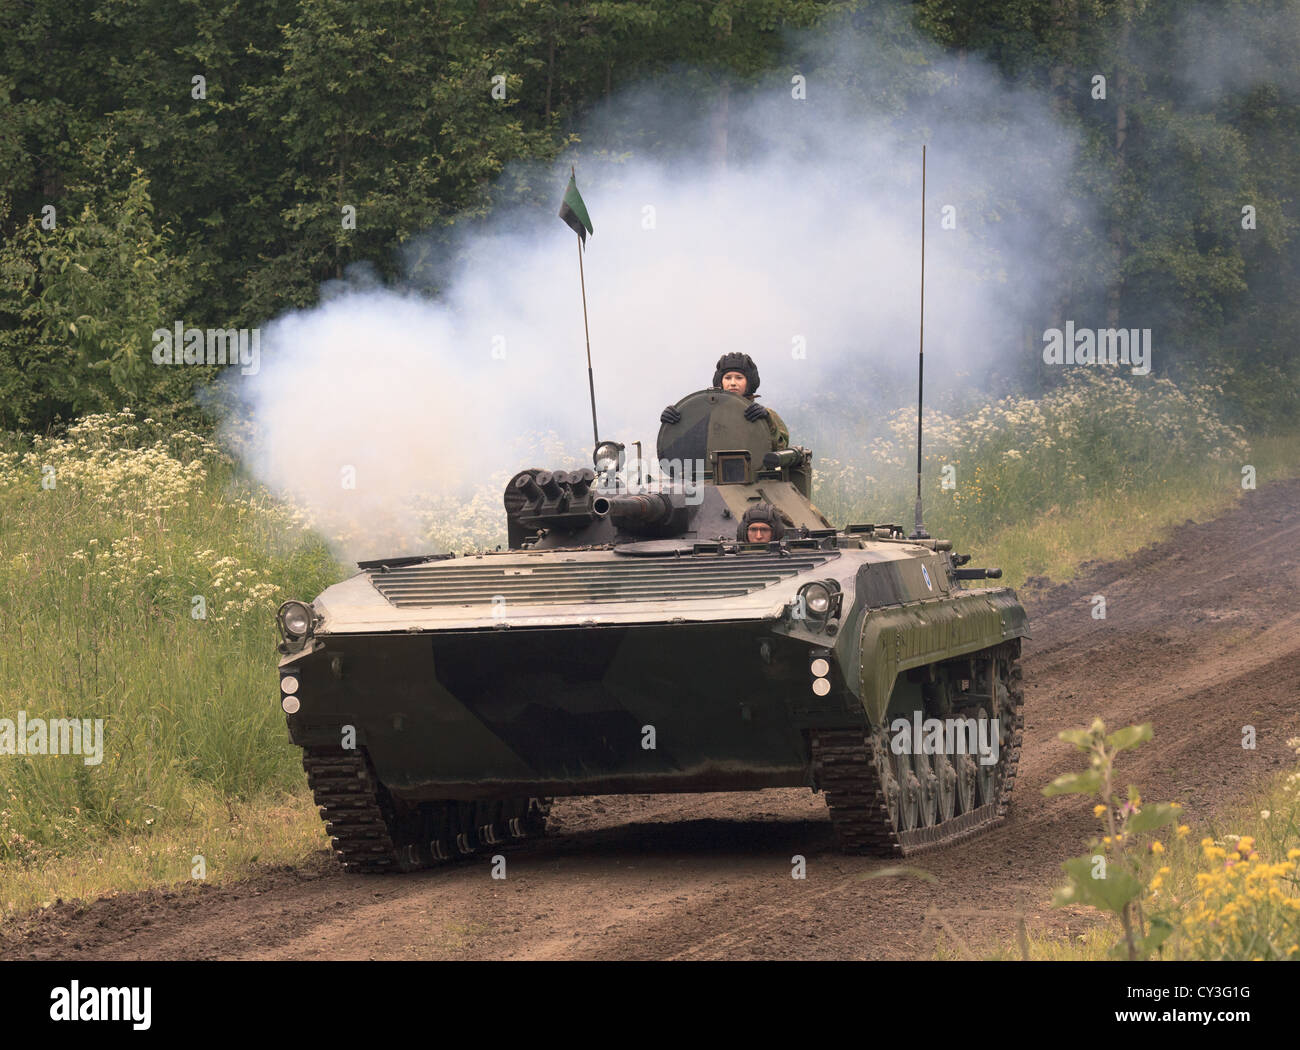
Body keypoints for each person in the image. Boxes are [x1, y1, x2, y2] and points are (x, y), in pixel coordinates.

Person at [660, 352, 789, 449]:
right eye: (728, 378)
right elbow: (687, 446)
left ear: (749, 382)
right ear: (721, 381)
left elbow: (781, 447)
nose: (733, 383)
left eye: (739, 377)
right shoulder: (704, 414)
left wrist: (767, 420)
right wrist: (674, 422)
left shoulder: (765, 414)